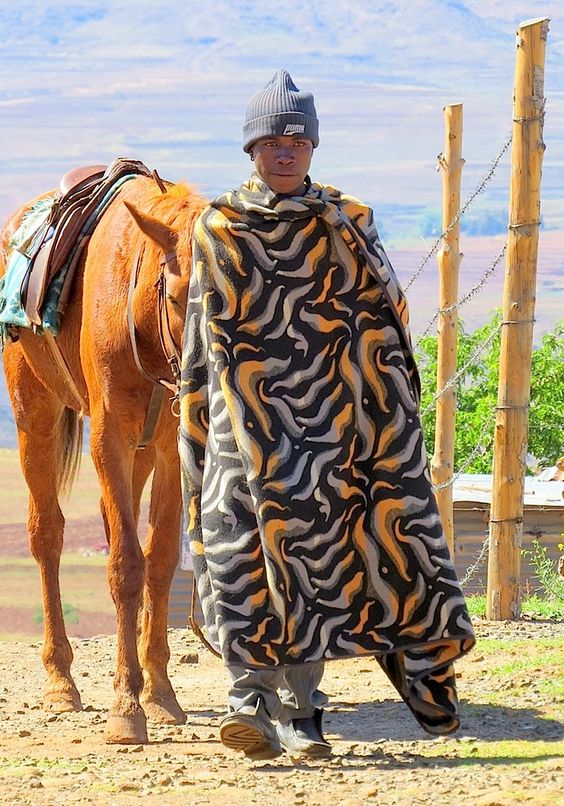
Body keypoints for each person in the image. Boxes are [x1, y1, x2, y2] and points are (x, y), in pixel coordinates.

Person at [179, 69, 475, 760]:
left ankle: (304, 710)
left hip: (329, 430)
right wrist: (210, 421)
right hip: (240, 428)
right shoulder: (220, 227)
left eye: (297, 138)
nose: (285, 149)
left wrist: (383, 424)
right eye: (272, 139)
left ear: (313, 147)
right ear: (250, 150)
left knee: (319, 558)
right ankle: (249, 701)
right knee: (244, 555)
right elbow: (204, 337)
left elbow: (384, 329)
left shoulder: (349, 220)